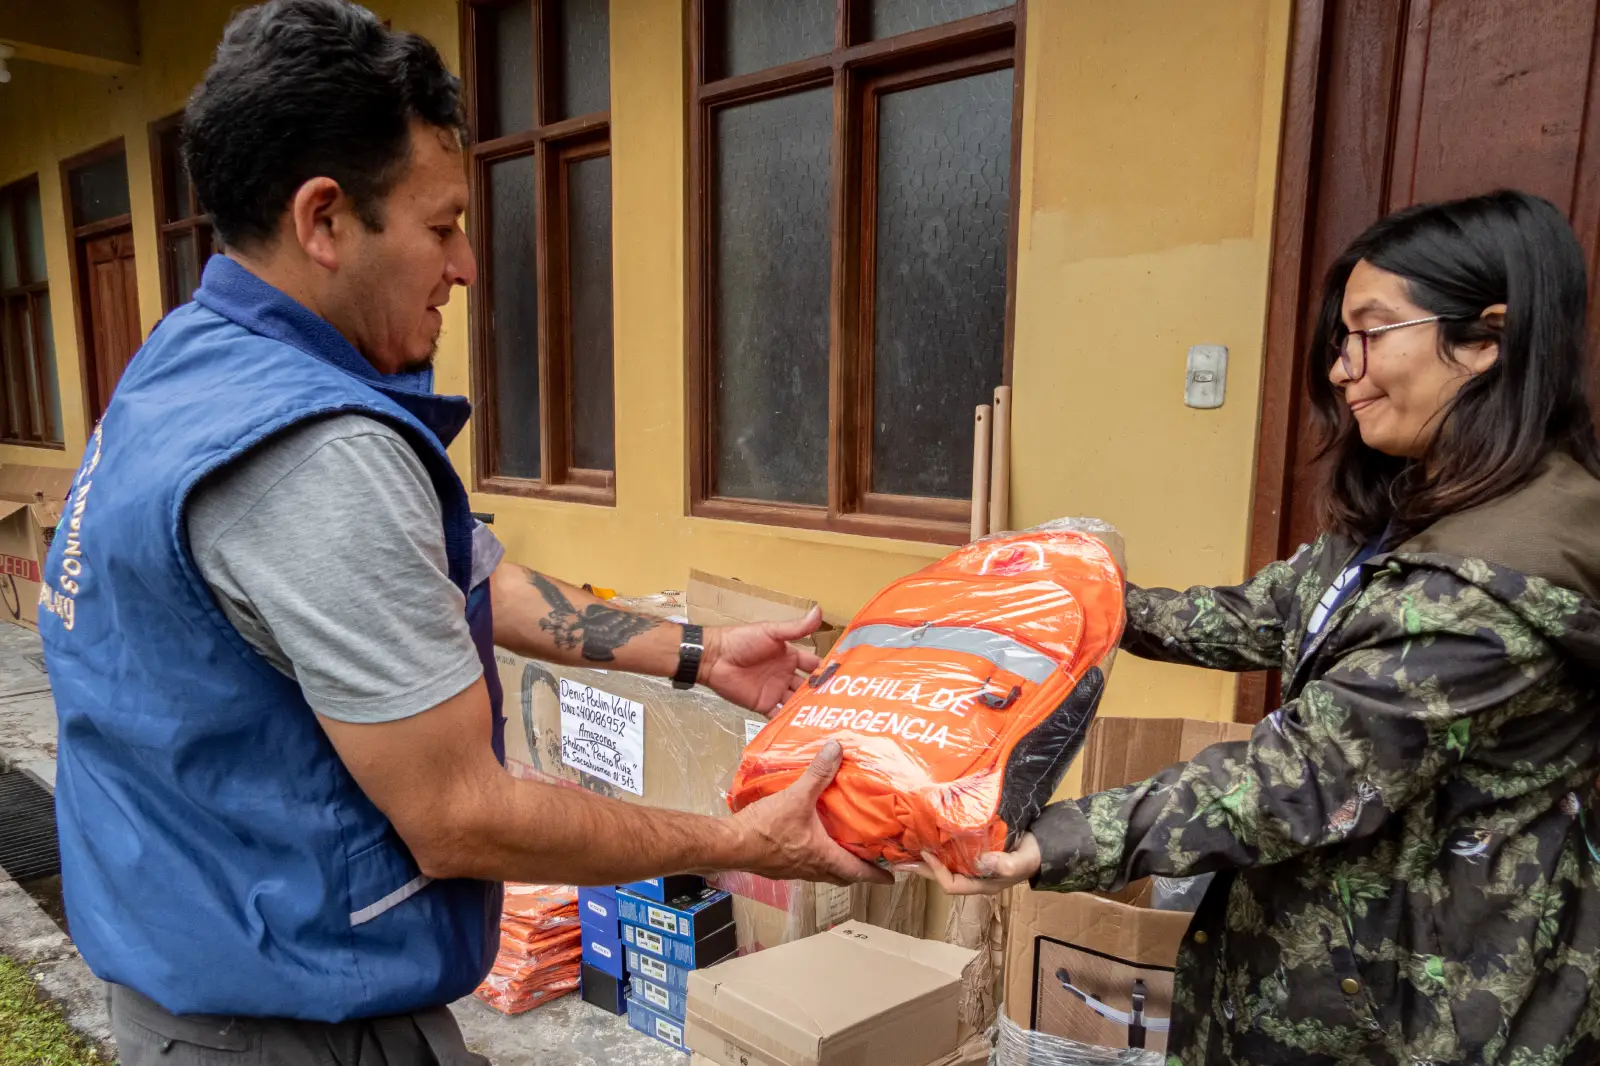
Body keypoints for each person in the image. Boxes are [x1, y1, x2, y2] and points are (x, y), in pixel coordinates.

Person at [37, 3, 886, 1063]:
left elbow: (456, 582)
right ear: (323, 220)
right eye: (441, 227)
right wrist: (740, 840)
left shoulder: (189, 363)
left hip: (202, 968)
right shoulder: (314, 456)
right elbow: (461, 818)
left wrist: (699, 652)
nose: (468, 265)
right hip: (290, 1025)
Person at [921, 190, 1600, 1065]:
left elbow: (1304, 774)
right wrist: (1072, 596)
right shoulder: (1418, 505)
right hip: (1330, 974)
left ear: (1485, 340)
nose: (1342, 370)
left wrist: (1052, 841)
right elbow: (1267, 614)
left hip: (1427, 1009)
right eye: (1340, 340)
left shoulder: (1495, 579)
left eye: (1370, 332)